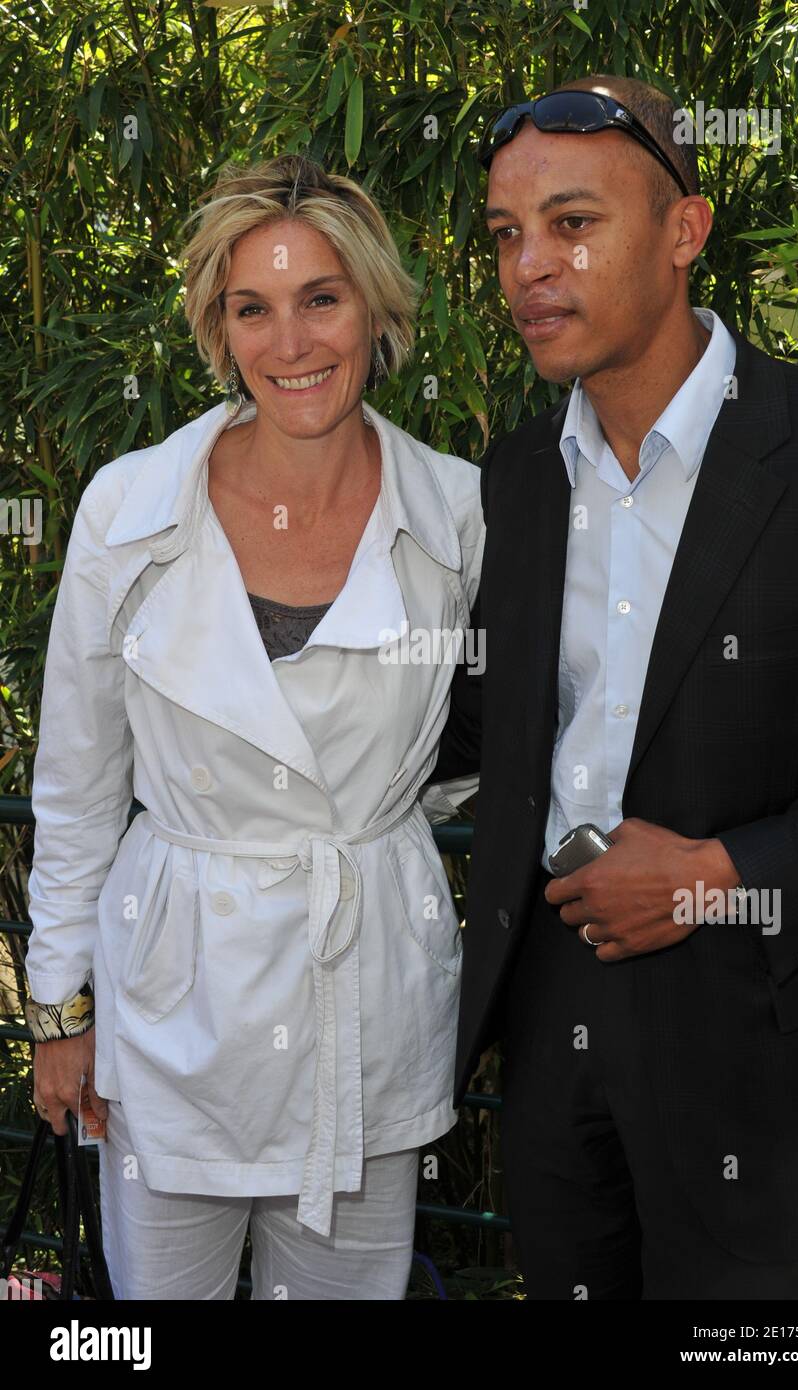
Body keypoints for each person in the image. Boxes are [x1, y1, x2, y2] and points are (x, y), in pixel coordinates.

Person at [432, 74, 798, 1299]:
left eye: (573, 224)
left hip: (765, 1024)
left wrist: (719, 878)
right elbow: (465, 724)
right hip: (549, 1006)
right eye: (507, 237)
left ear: (685, 231)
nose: (529, 268)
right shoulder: (511, 478)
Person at [24, 153, 483, 1300]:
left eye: (320, 297)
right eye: (252, 308)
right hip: (174, 1014)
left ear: (375, 308)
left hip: (363, 1003)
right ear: (217, 330)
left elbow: (477, 755)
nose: (291, 342)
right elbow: (77, 783)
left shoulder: (465, 514)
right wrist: (58, 1012)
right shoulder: (127, 510)